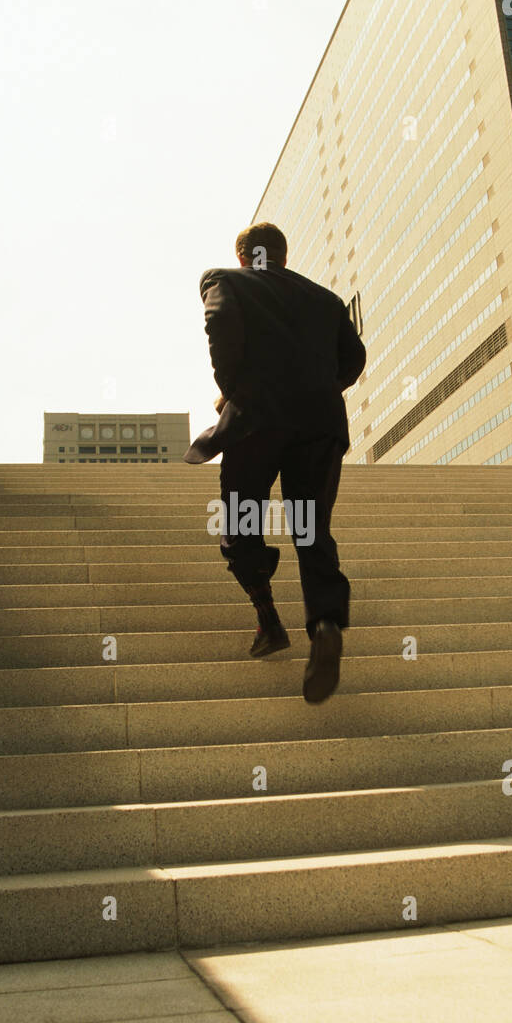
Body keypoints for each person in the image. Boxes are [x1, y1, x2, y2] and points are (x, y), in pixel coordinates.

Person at [184, 221, 366, 703]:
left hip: (256, 421)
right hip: (320, 424)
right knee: (311, 528)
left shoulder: (225, 280)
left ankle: (268, 620)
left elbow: (220, 327)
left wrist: (238, 390)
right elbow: (354, 358)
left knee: (242, 522)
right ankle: (325, 624)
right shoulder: (325, 299)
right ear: (284, 257)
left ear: (243, 257)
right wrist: (315, 390)